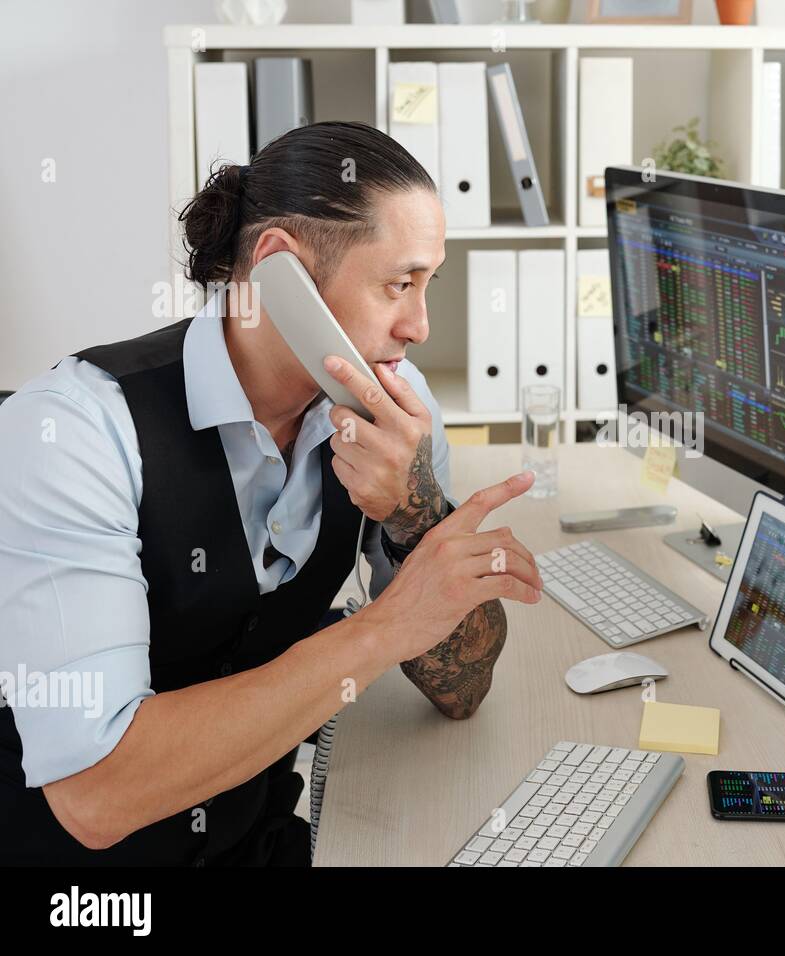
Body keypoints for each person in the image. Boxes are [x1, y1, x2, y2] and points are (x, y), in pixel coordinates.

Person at [0, 121, 542, 865]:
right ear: (279, 268)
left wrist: (414, 511)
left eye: (428, 283)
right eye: (398, 283)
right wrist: (381, 628)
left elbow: (462, 694)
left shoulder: (394, 409)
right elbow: (97, 795)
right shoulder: (76, 432)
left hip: (251, 831)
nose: (419, 326)